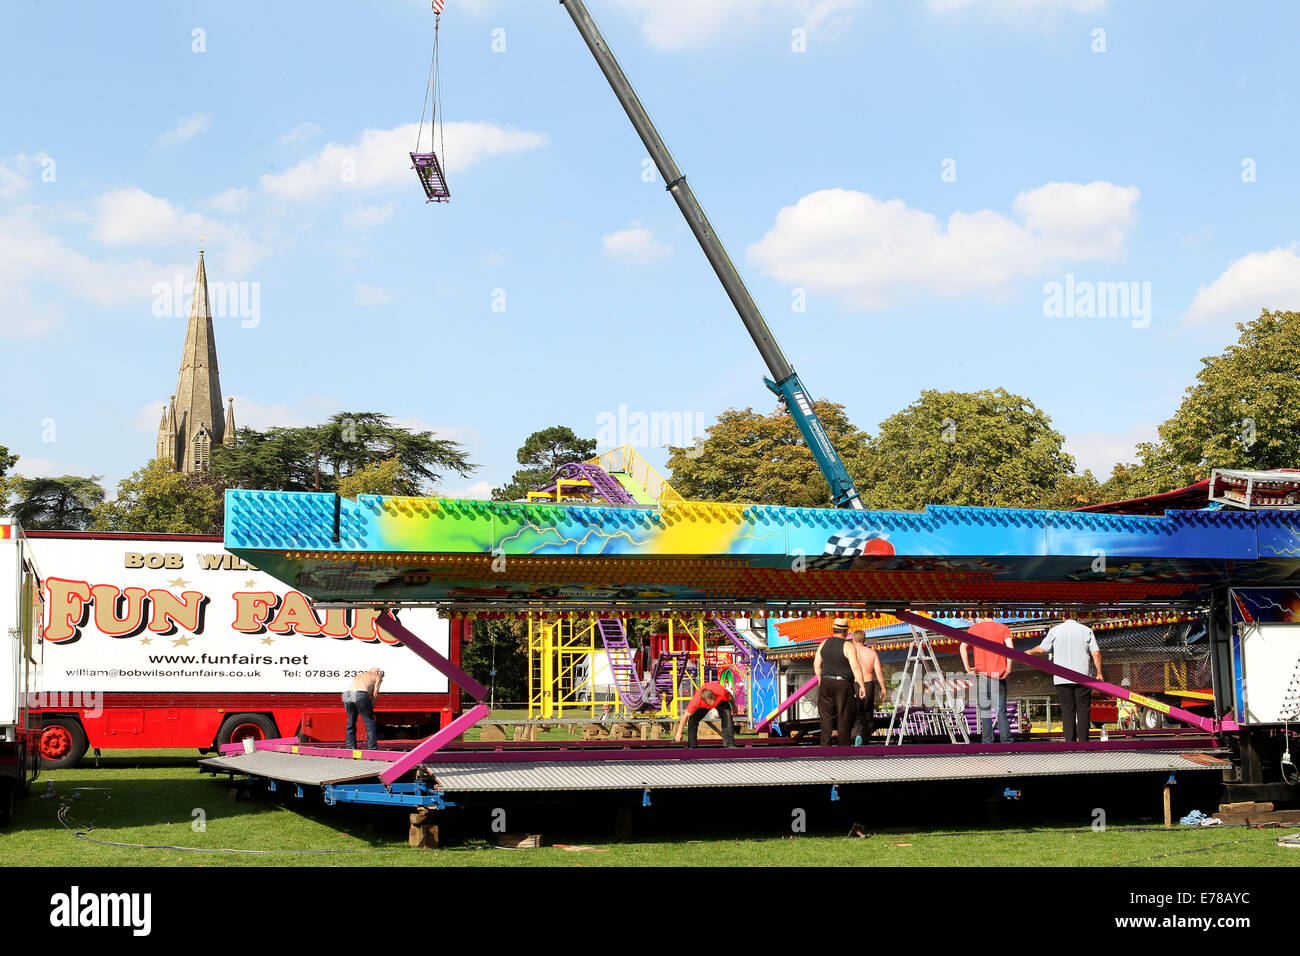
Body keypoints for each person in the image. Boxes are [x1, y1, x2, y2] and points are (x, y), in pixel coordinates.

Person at [1027, 616, 1101, 742]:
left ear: (1063, 616)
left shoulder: (1055, 631)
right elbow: (1096, 653)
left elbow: (1041, 649)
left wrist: (1029, 652)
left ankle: (1070, 741)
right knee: (1083, 709)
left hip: (1062, 678)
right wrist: (1099, 674)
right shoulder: (1086, 630)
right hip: (1083, 677)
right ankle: (1083, 741)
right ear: (1077, 616)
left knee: (1067, 710)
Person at [959, 618, 1014, 743]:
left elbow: (962, 647)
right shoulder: (1003, 628)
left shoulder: (974, 628)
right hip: (998, 674)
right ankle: (1006, 742)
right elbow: (1010, 648)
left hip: (982, 674)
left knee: (985, 710)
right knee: (1001, 710)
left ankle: (987, 742)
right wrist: (1008, 667)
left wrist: (968, 668)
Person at [814, 618, 867, 747]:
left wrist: (821, 679)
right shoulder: (848, 646)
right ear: (846, 631)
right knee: (844, 716)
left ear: (833, 629)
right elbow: (855, 666)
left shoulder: (824, 643)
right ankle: (843, 748)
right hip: (842, 684)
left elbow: (816, 664)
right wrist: (861, 685)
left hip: (826, 682)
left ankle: (825, 747)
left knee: (826, 717)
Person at [849, 629, 887, 745]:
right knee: (868, 712)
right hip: (868, 684)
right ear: (864, 639)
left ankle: (855, 736)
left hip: (855, 684)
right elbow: (879, 672)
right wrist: (883, 688)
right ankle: (865, 737)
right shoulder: (871, 652)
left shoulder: (850, 651)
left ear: (853, 639)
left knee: (855, 711)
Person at [674, 681, 736, 748]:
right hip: (704, 706)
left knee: (727, 717)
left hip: (720, 701)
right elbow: (685, 716)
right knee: (692, 720)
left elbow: (730, 697)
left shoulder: (720, 693)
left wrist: (734, 707)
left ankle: (729, 744)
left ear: (714, 695)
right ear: (705, 701)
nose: (713, 703)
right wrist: (679, 732)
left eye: (714, 699)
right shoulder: (696, 701)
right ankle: (692, 745)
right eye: (710, 701)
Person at [343, 667, 384, 751]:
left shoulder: (360, 675)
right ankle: (372, 747)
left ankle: (350, 747)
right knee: (369, 721)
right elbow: (375, 693)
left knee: (351, 722)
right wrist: (371, 709)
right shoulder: (377, 676)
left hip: (347, 694)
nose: (382, 677)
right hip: (360, 694)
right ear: (377, 672)